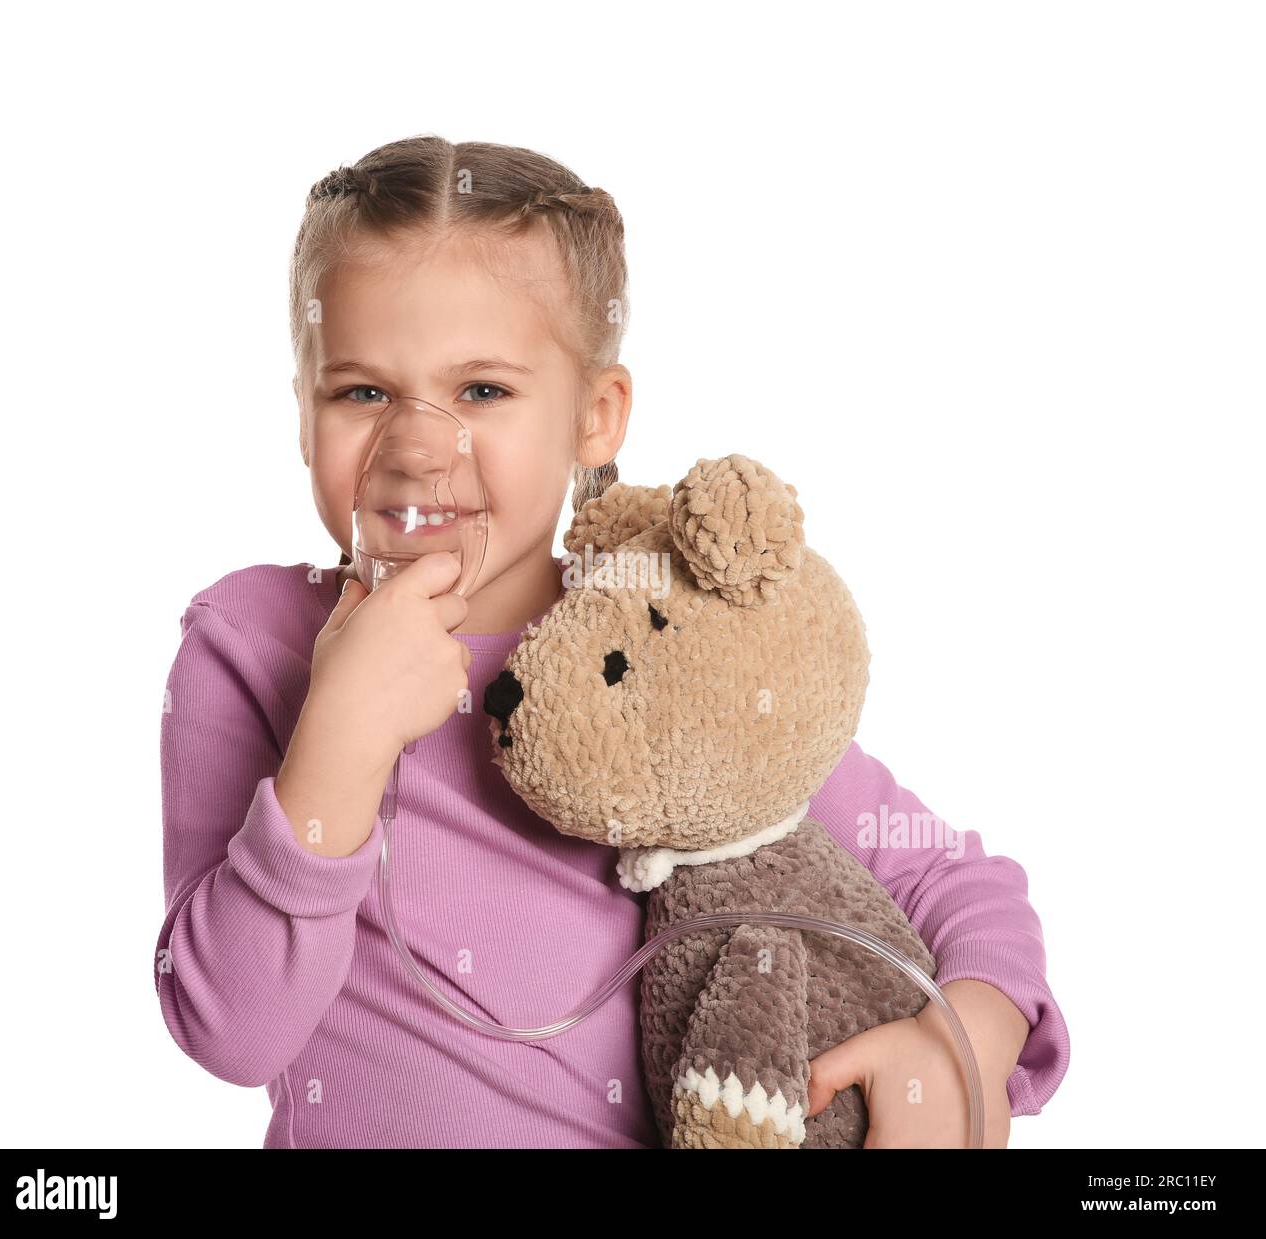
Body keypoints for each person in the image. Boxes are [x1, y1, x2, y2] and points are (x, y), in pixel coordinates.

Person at [154, 134, 1069, 1148]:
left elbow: (952, 882)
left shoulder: (668, 640)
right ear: (302, 411)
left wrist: (960, 1042)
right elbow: (230, 1032)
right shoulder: (249, 642)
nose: (417, 446)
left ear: (595, 416)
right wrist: (335, 743)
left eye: (482, 392)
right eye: (361, 392)